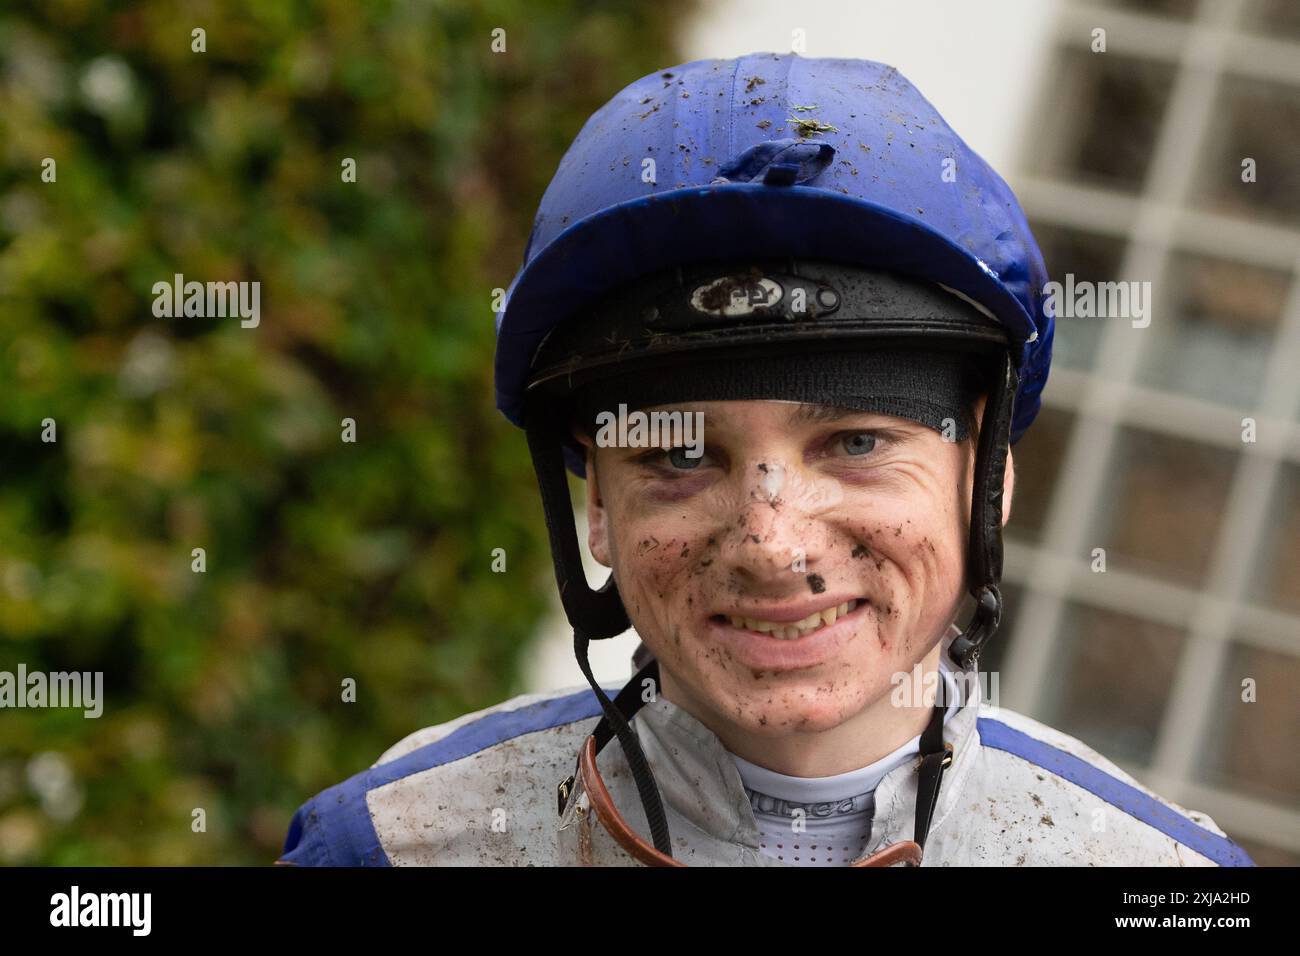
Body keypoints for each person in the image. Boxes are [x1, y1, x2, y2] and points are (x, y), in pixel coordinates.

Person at [277, 53, 1253, 867]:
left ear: (985, 479)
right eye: (678, 455)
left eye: (857, 442)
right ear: (599, 508)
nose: (771, 544)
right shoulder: (394, 847)